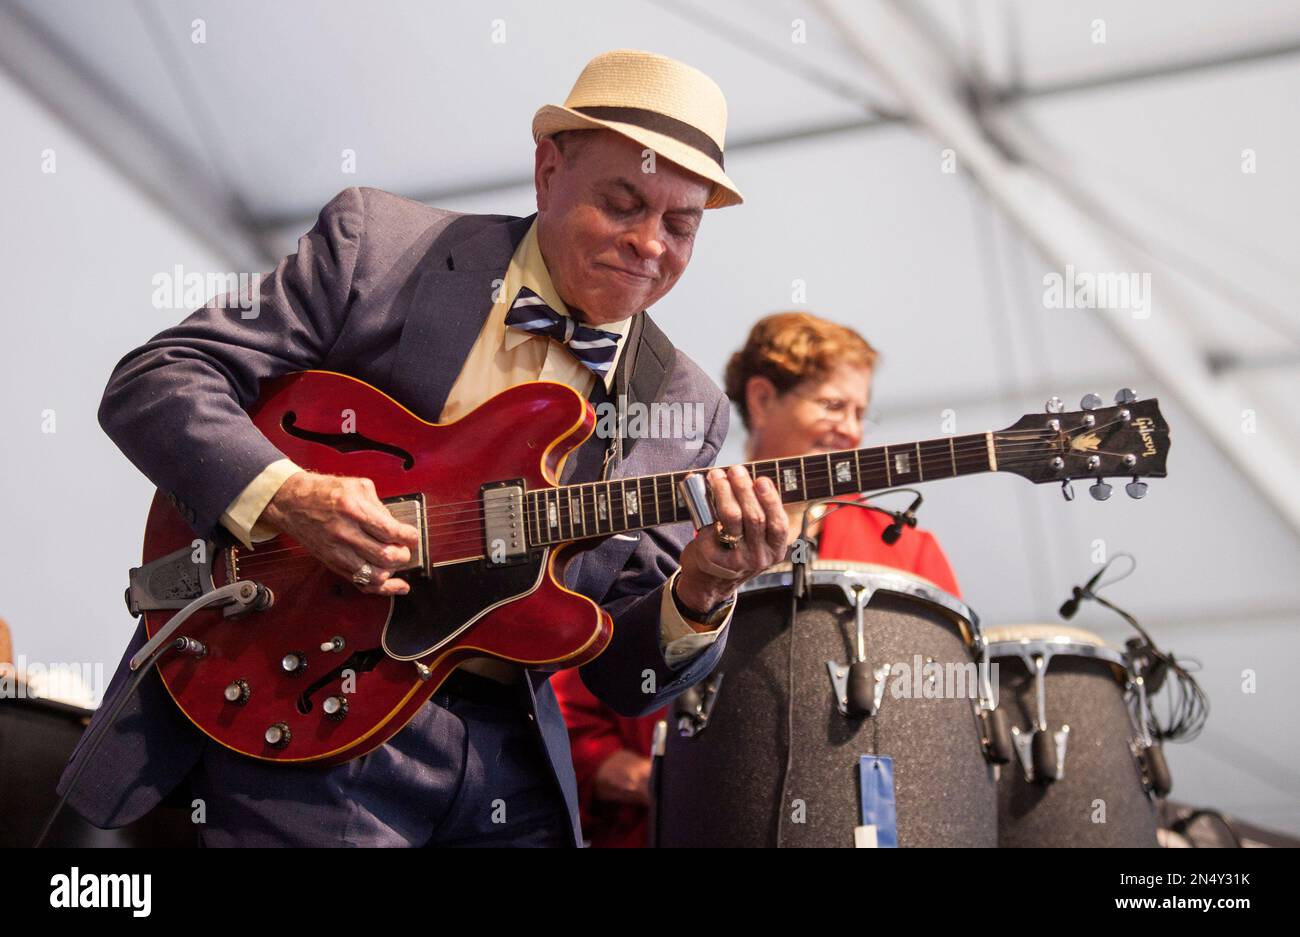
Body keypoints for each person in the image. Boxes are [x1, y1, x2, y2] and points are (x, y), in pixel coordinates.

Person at [57, 49, 790, 847]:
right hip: (308, 704)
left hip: (508, 761)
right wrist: (290, 496)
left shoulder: (687, 407)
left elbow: (626, 673)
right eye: (623, 203)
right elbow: (159, 377)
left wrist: (705, 590)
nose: (649, 243)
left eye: (680, 225)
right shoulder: (378, 244)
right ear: (549, 169)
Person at [552, 311, 960, 846]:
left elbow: (945, 713)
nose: (852, 429)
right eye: (833, 405)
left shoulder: (909, 549)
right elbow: (568, 697)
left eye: (861, 411)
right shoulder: (669, 523)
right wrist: (639, 777)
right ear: (763, 399)